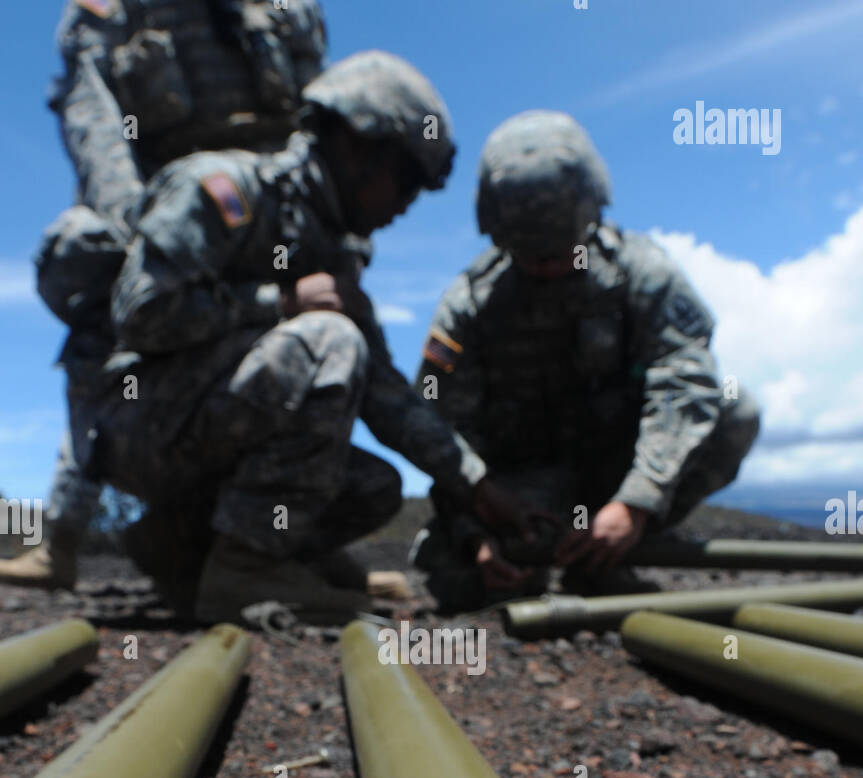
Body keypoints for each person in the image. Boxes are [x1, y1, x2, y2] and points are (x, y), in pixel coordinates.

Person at [39, 51, 519, 623]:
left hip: (205, 430)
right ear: (356, 143)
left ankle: (181, 548)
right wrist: (282, 303)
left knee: (374, 487)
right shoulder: (224, 190)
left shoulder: (333, 249)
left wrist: (476, 483)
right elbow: (143, 311)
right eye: (404, 181)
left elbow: (387, 399)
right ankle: (242, 571)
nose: (404, 207)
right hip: (138, 426)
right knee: (331, 339)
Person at [0, 0, 328, 592]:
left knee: (324, 331)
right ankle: (63, 536)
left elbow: (317, 115)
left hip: (264, 208)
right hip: (156, 209)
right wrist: (137, 221)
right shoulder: (112, 9)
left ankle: (299, 545)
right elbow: (91, 110)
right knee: (84, 253)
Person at [412, 110, 761, 613]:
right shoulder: (469, 307)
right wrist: (475, 531)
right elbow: (445, 435)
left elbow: (685, 381)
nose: (549, 268)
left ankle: (614, 547)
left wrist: (637, 499)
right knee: (482, 574)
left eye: (561, 252)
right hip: (529, 495)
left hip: (621, 473)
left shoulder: (640, 272)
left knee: (736, 413)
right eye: (532, 257)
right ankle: (513, 556)